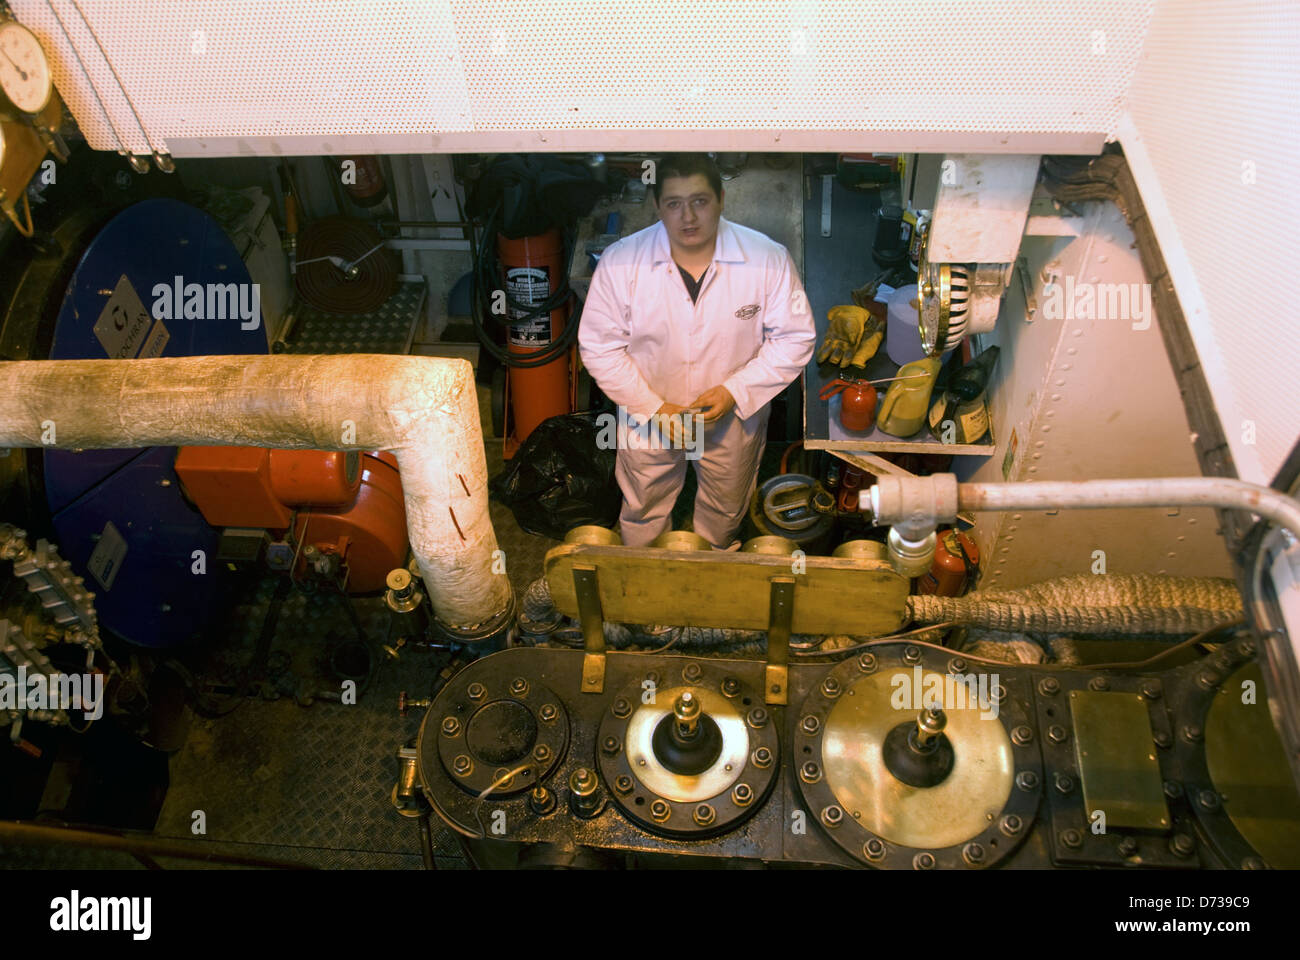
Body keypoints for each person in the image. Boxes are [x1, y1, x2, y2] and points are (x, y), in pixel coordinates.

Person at [578, 153, 815, 549]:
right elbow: (600, 347)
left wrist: (735, 391)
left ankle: (714, 567)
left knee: (725, 506)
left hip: (730, 418)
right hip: (648, 412)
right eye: (674, 204)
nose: (688, 217)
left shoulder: (766, 258)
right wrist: (653, 408)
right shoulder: (621, 263)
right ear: (657, 206)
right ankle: (643, 575)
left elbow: (795, 338)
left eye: (700, 201)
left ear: (721, 198)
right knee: (643, 503)